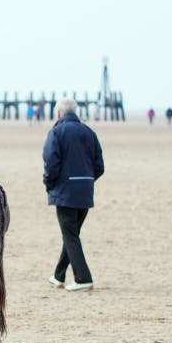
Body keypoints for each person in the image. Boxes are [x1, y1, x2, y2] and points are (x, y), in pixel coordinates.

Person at [43, 97, 104, 292]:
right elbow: (99, 166)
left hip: (65, 192)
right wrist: (86, 181)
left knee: (70, 236)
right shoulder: (89, 132)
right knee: (72, 235)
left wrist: (49, 184)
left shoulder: (57, 132)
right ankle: (58, 276)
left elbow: (51, 163)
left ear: (59, 113)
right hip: (85, 191)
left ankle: (83, 278)